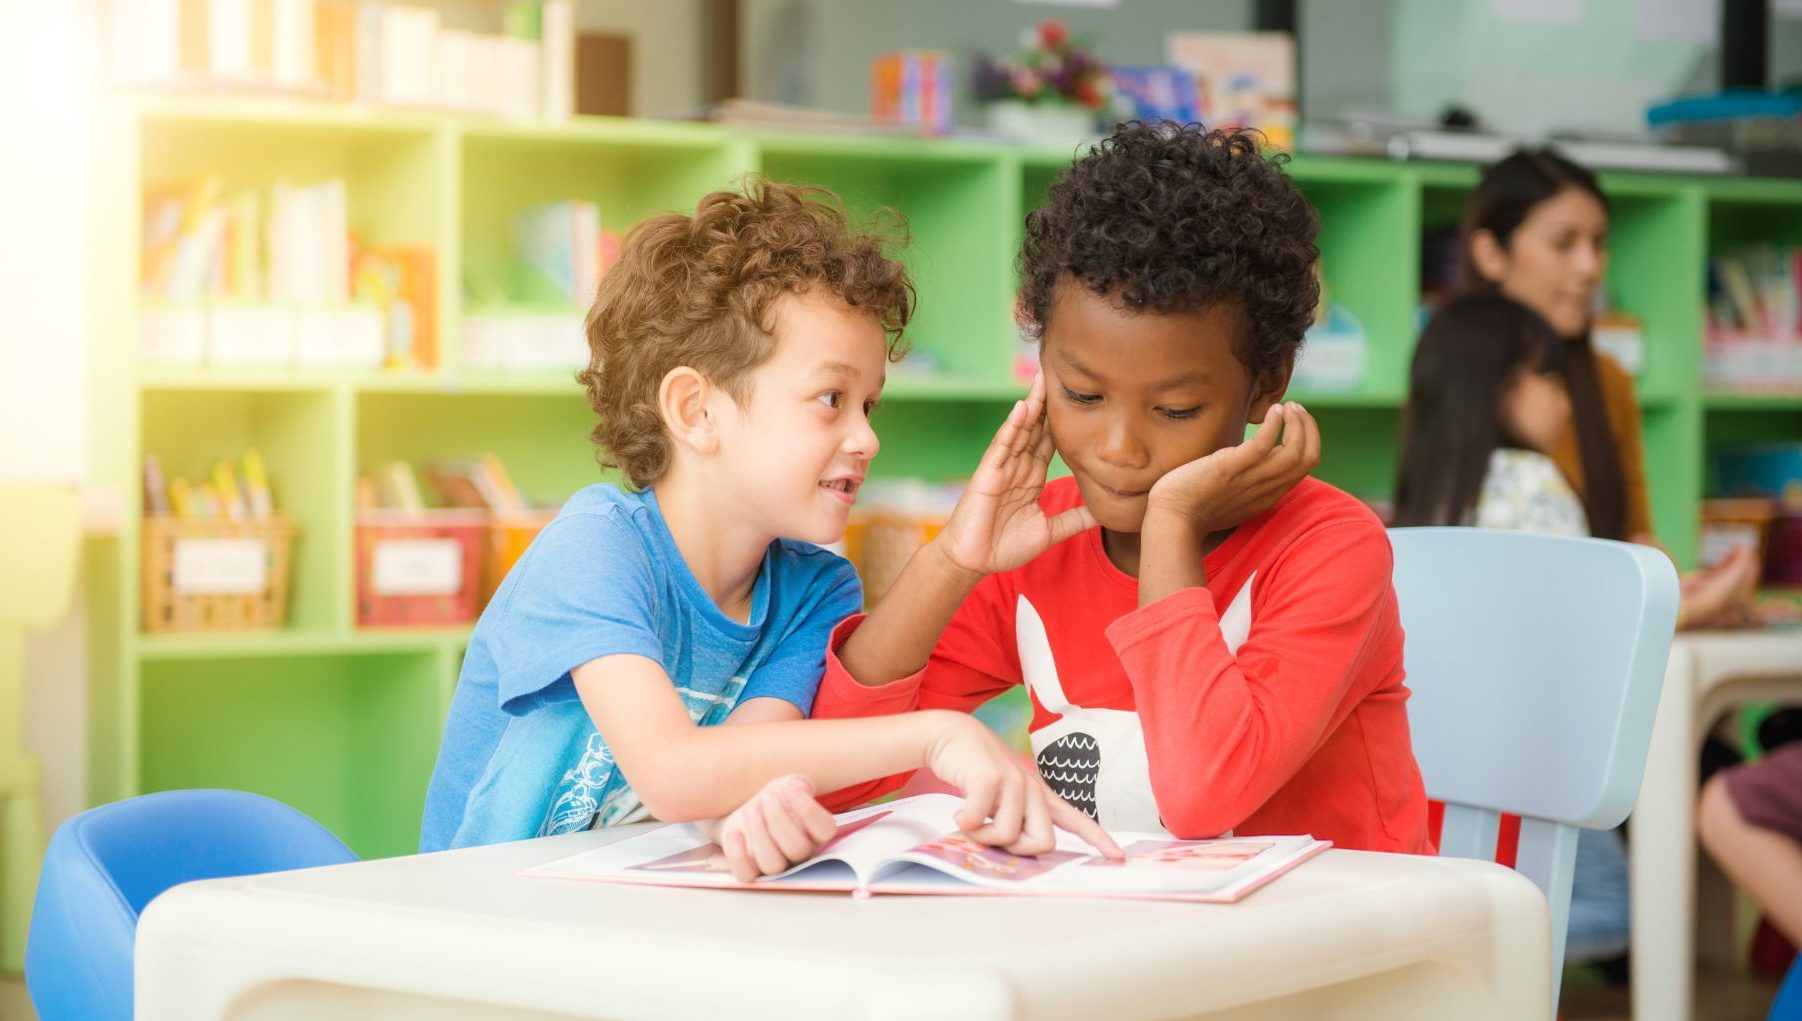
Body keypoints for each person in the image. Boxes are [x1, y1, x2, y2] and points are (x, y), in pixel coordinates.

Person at [419, 179, 1118, 879]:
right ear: (696, 410)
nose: (866, 439)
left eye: (869, 406)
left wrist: (744, 812)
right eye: (831, 399)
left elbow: (739, 768)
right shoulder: (595, 549)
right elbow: (673, 772)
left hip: (627, 917)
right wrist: (940, 737)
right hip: (479, 919)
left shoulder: (815, 589)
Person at [807, 122, 1434, 855]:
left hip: (1341, 942)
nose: (1118, 449)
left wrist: (1171, 523)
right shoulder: (1042, 539)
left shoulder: (1331, 548)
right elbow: (837, 771)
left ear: (1266, 386)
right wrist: (956, 559)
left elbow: (1202, 794)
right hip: (1136, 936)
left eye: (1174, 411)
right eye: (1081, 394)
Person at [1393, 292, 1631, 963]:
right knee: (1617, 911)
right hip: (1544, 756)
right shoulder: (1534, 481)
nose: (1565, 397)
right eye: (1549, 375)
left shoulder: (1425, 499)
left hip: (1440, 763)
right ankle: (1470, 945)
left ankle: (1459, 936)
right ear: (1498, 387)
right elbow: (1581, 632)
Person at [1458, 148, 1759, 628]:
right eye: (1564, 244)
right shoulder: (1455, 378)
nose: (1589, 267)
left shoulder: (1608, 380)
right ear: (1492, 254)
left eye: (1598, 244)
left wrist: (1677, 584)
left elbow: (1632, 540)